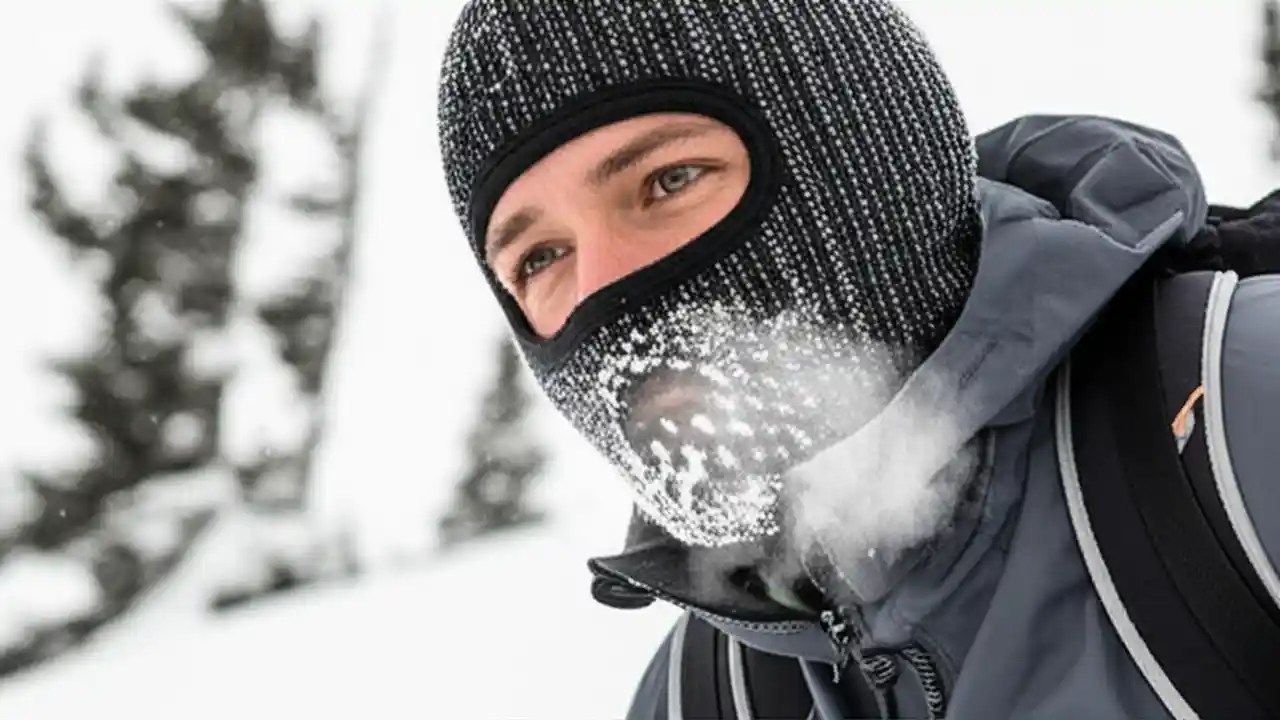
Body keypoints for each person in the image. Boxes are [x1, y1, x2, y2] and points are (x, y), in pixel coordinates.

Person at [436, 1, 1280, 718]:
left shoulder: (1244, 424)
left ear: (857, 170)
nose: (604, 290)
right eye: (540, 258)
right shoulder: (712, 691)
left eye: (671, 179)